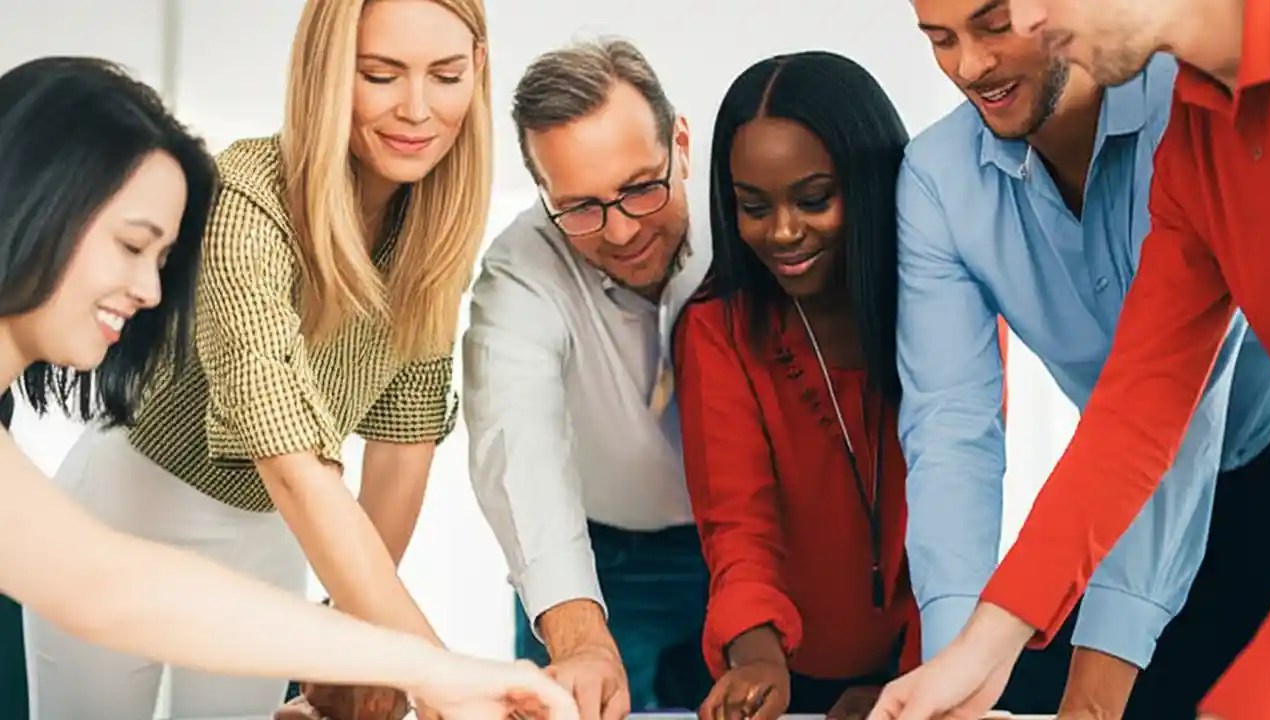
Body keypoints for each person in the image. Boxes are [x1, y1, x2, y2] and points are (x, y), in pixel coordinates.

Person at [0, 54, 575, 720]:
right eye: (132, 246)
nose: (152, 292)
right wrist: (425, 666)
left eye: (161, 260)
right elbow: (108, 589)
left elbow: (116, 587)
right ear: (31, 201)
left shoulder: (425, 270)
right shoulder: (250, 200)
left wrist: (416, 665)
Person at [869, 0, 1270, 718]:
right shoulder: (1194, 141)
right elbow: (1138, 412)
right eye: (942, 38)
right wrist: (972, 653)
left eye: (1003, 16)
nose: (1025, 24)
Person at [462, 37, 714, 719]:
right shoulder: (519, 268)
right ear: (543, 194)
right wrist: (577, 634)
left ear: (681, 142)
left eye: (640, 188)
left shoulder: (749, 212)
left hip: (749, 551)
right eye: (579, 207)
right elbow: (518, 446)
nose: (623, 229)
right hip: (592, 561)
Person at [672, 50, 917, 720]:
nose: (782, 232)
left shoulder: (941, 306)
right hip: (781, 667)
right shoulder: (717, 329)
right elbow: (736, 527)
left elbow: (956, 517)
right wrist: (755, 660)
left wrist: (917, 679)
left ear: (868, 185)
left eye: (814, 200)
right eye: (753, 206)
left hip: (933, 659)